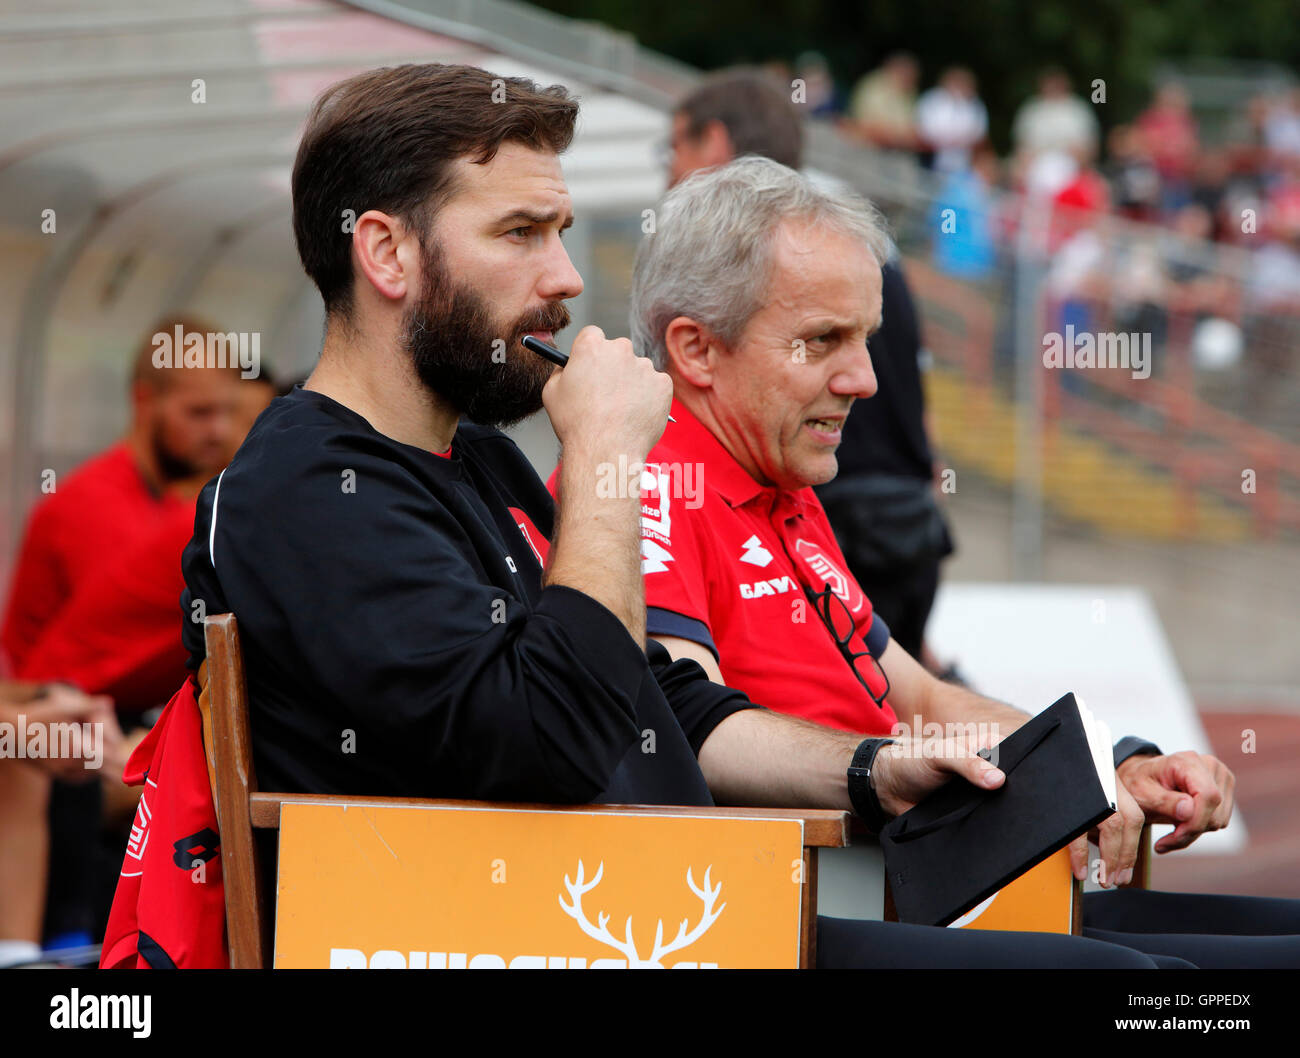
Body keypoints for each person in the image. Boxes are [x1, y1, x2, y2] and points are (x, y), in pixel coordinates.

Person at [159, 61, 1208, 969]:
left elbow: (663, 707)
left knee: (1162, 975)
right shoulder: (303, 488)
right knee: (1145, 987)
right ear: (384, 254)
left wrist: (872, 770)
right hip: (576, 931)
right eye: (520, 232)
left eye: (561, 231)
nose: (566, 278)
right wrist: (609, 453)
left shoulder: (470, 458)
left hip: (677, 916)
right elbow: (551, 742)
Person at [615, 153, 1300, 967]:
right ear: (694, 351)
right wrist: (880, 771)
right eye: (823, 340)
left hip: (896, 883)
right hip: (791, 910)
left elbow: (923, 699)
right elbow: (686, 729)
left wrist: (1112, 763)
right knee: (1162, 989)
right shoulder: (649, 478)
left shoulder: (780, 485)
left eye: (865, 339)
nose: (865, 378)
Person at [662, 67, 960, 674]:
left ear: (713, 143)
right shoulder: (860, 243)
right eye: (824, 339)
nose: (860, 377)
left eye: (674, 146)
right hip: (905, 522)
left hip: (852, 519)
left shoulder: (794, 253)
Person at [0, 319, 242, 958]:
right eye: (198, 412)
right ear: (145, 401)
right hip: (67, 734)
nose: (218, 431)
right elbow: (56, 679)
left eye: (228, 413)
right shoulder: (97, 511)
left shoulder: (188, 504)